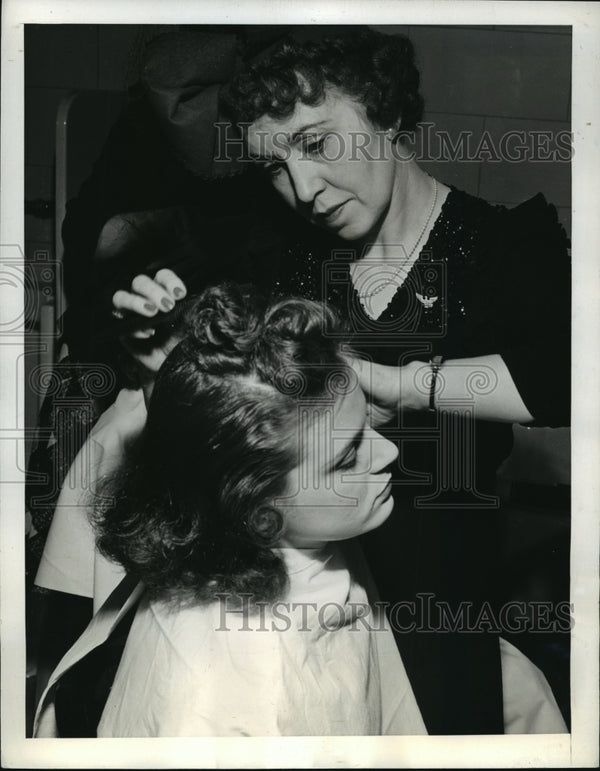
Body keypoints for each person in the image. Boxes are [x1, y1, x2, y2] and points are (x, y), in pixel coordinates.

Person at [105, 29, 570, 733]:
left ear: (384, 111)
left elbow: (562, 379)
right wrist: (160, 353)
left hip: (438, 610)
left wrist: (397, 382)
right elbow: (237, 413)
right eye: (274, 167)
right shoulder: (288, 263)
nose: (302, 189)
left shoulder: (508, 249)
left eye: (317, 145)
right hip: (306, 601)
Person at [34, 283, 566, 737]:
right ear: (253, 506)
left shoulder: (295, 530)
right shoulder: (230, 698)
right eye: (347, 456)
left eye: (367, 431)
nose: (390, 453)